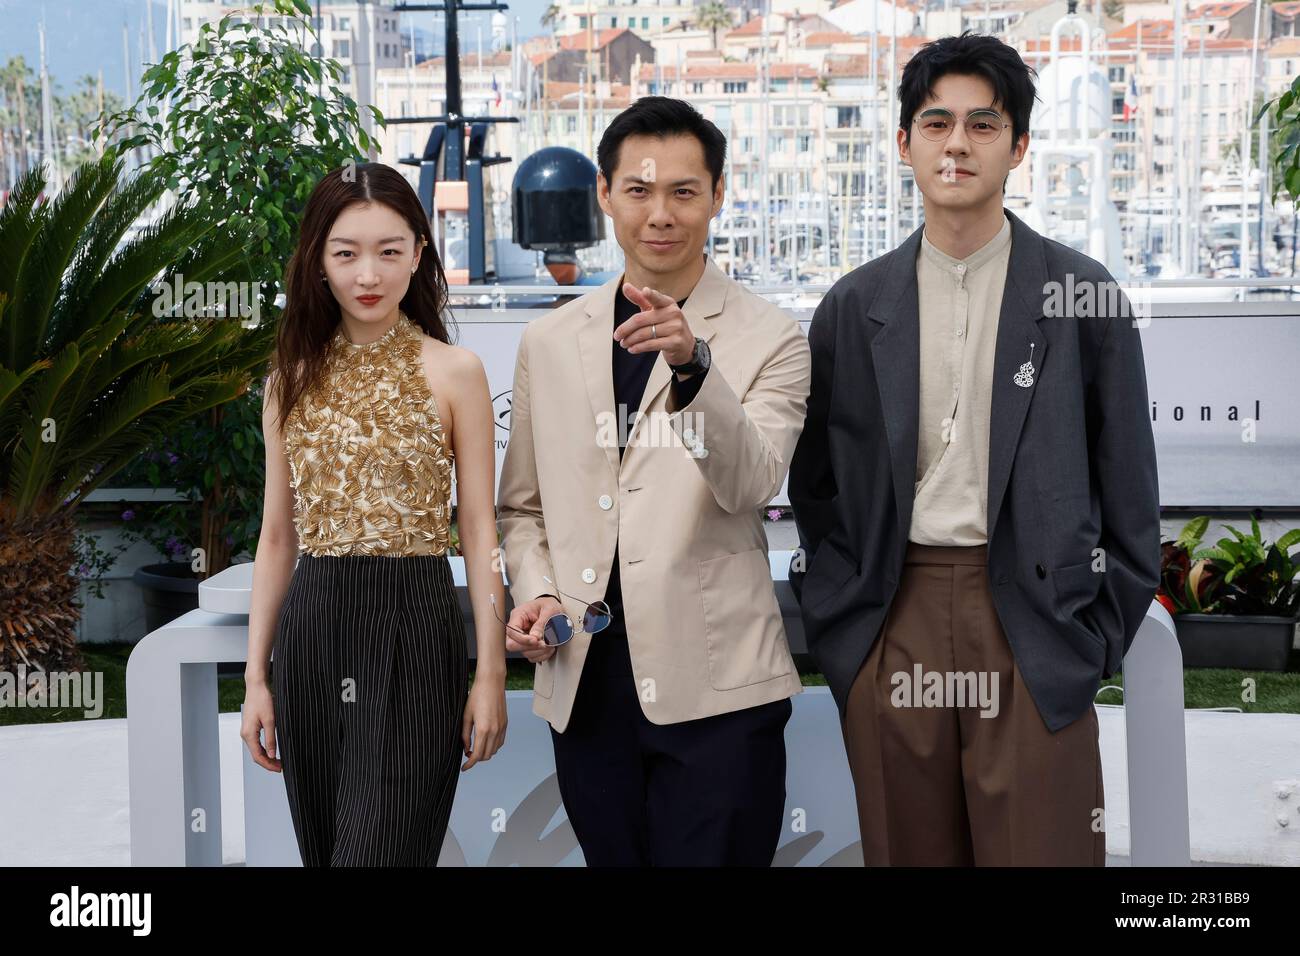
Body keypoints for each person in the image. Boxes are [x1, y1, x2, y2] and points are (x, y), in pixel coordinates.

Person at [788, 32, 1160, 865]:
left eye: (983, 125)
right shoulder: (853, 307)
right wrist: (847, 626)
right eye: (936, 122)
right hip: (894, 612)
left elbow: (1131, 493)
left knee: (1046, 852)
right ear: (904, 143)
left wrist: (1090, 638)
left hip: (1035, 619)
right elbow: (815, 487)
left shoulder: (1083, 296)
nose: (957, 143)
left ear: (1019, 145)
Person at [496, 97, 811, 866]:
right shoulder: (549, 339)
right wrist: (536, 592)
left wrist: (693, 367)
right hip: (587, 682)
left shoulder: (772, 337)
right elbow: (523, 507)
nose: (660, 213)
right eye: (638, 190)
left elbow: (750, 483)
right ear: (604, 195)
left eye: (682, 191)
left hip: (719, 686)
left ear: (717, 195)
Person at [240, 162, 507, 866]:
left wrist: (490, 674)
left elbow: (479, 532)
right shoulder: (287, 381)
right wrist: (256, 680)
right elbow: (276, 538)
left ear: (419, 253)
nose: (369, 274)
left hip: (416, 626)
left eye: (390, 251)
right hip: (314, 631)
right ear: (317, 262)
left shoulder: (457, 371)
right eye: (346, 252)